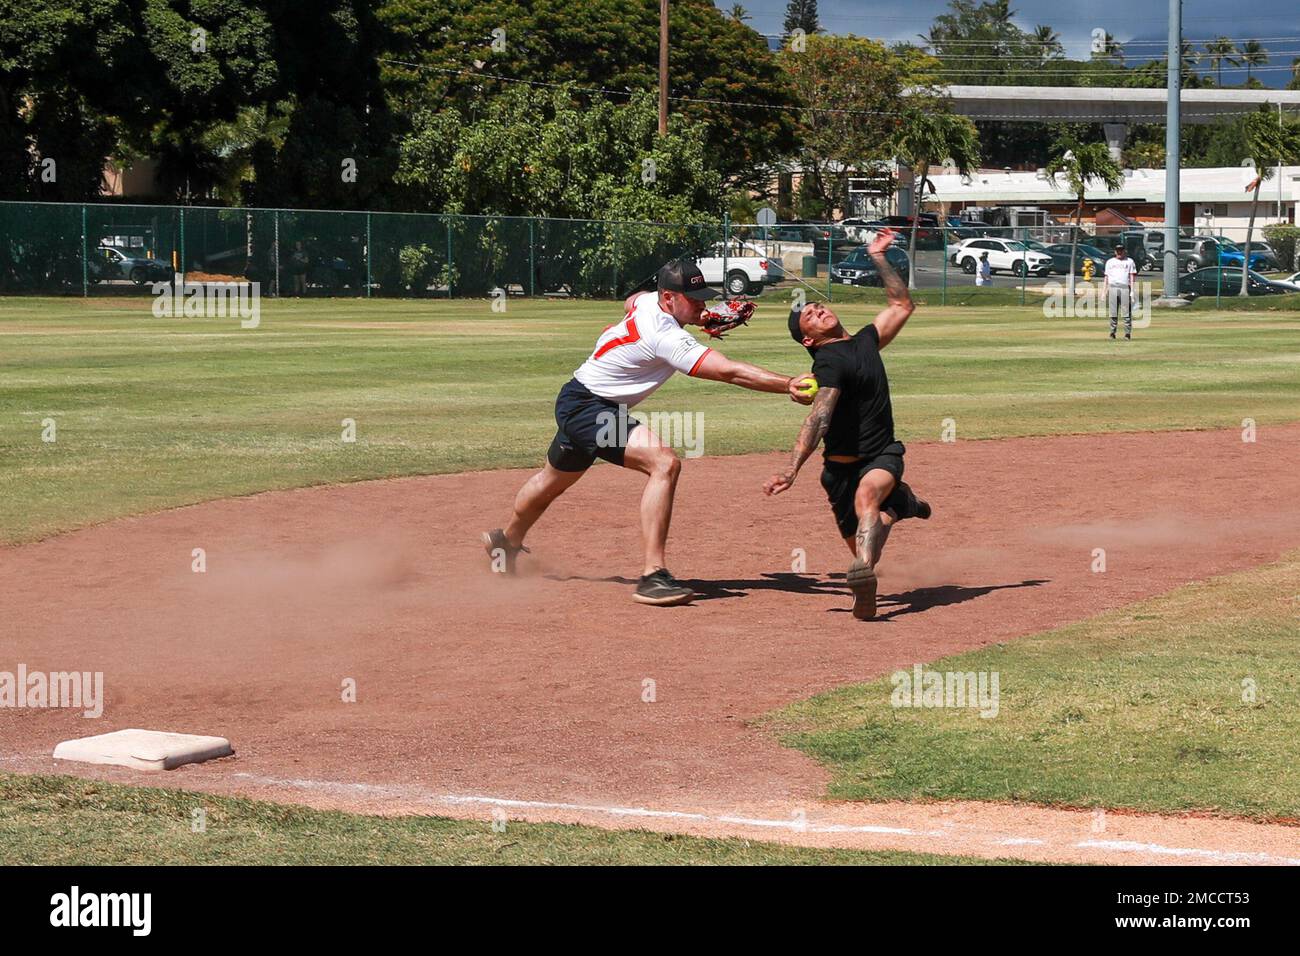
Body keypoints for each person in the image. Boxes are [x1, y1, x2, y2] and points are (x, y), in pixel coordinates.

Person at [482, 259, 814, 607]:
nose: (703, 304)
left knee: (552, 481)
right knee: (664, 463)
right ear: (668, 297)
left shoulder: (647, 303)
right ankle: (653, 576)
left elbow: (633, 300)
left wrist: (694, 316)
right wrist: (787, 383)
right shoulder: (665, 335)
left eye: (703, 297)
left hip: (578, 399)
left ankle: (506, 539)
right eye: (694, 298)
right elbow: (729, 372)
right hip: (590, 408)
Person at [764, 229, 932, 620]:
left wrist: (878, 257)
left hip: (881, 455)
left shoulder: (867, 341)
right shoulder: (828, 362)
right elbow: (820, 416)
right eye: (809, 315)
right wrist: (792, 468)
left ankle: (864, 579)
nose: (819, 310)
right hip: (837, 470)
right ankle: (898, 511)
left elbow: (901, 304)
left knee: (866, 503)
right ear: (807, 339)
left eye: (818, 306)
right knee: (863, 541)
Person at [1103, 243, 1137, 339]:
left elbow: (1132, 276)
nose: (1119, 252)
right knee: (1113, 312)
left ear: (1124, 251)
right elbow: (1106, 276)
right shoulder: (1110, 262)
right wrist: (1104, 291)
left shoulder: (1129, 262)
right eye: (1118, 250)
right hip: (1113, 287)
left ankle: (1127, 333)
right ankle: (1112, 332)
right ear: (1115, 251)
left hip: (1124, 287)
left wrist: (1132, 291)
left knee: (1126, 312)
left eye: (1121, 250)